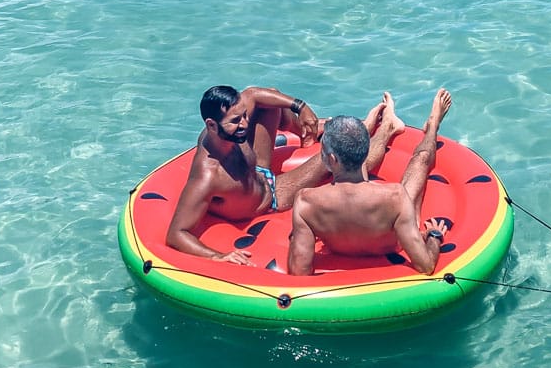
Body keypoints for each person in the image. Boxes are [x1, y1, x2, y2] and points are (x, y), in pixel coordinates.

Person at [166, 85, 405, 263]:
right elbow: (177, 234)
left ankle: (310, 129)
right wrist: (218, 257)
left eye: (244, 116)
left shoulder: (233, 129)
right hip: (272, 195)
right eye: (235, 121)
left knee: (271, 104)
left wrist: (299, 107)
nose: (244, 124)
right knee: (344, 157)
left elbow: (252, 94)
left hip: (258, 170)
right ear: (211, 125)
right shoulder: (208, 176)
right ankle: (386, 128)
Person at [287, 89, 453, 276]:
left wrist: (297, 236)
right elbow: (426, 266)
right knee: (421, 159)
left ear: (332, 159)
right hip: (390, 244)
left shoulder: (306, 203)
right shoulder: (395, 197)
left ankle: (394, 125)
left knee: (351, 171)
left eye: (323, 149)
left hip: (338, 248)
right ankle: (431, 128)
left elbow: (298, 272)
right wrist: (434, 237)